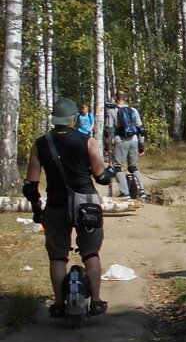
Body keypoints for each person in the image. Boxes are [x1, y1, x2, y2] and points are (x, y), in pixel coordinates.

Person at [23, 98, 121, 317]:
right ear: (74, 118)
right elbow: (102, 178)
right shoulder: (87, 141)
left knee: (57, 256)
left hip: (56, 204)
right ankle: (95, 301)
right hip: (86, 203)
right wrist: (113, 171)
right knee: (91, 252)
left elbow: (30, 186)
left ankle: (59, 304)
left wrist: (37, 210)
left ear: (55, 119)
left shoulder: (40, 144)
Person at [104, 90, 146, 199]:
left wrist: (107, 146)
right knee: (133, 166)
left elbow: (108, 130)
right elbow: (141, 129)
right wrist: (141, 145)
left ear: (115, 98)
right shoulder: (133, 110)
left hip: (121, 140)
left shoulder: (112, 111)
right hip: (134, 140)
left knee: (117, 167)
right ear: (126, 98)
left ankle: (125, 193)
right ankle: (141, 191)